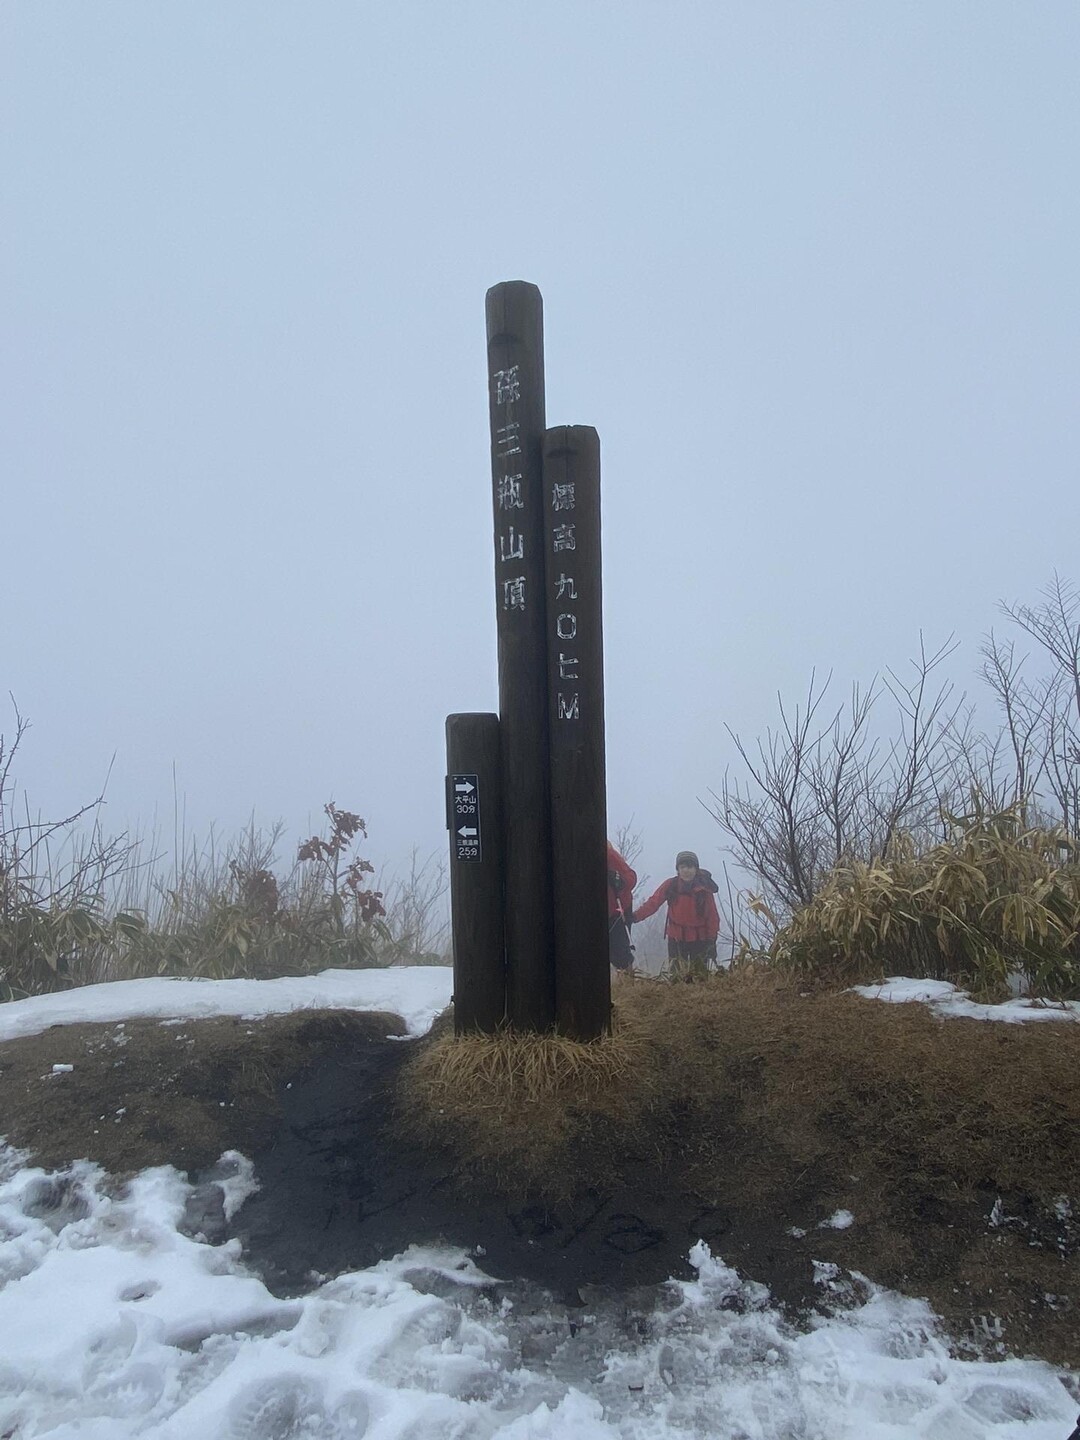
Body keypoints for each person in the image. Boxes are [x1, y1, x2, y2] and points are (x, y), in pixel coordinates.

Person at [629, 851, 719, 980]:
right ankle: (678, 999)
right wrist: (635, 916)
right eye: (683, 867)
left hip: (700, 939)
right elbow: (653, 903)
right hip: (676, 938)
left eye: (690, 867)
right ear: (678, 869)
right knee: (677, 976)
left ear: (696, 869)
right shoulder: (671, 885)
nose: (686, 871)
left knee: (699, 977)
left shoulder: (704, 890)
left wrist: (712, 940)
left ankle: (698, 999)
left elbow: (712, 916)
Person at [607, 840, 637, 972]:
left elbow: (631, 877)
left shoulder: (608, 854)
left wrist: (621, 881)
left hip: (618, 911)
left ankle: (628, 988)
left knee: (621, 955)